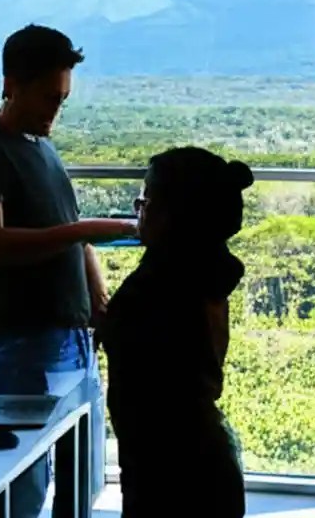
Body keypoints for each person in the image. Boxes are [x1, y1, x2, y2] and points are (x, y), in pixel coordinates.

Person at [0, 25, 134, 515]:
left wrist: (98, 305)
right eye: (50, 98)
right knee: (20, 492)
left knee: (81, 486)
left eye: (62, 100)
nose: (56, 110)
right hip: (26, 348)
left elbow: (73, 233)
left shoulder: (45, 149)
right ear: (12, 83)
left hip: (74, 343)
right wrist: (82, 233)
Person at [101, 148, 251, 517]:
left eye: (146, 201)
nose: (139, 210)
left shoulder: (161, 289)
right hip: (195, 466)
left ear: (172, 215)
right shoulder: (201, 273)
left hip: (172, 479)